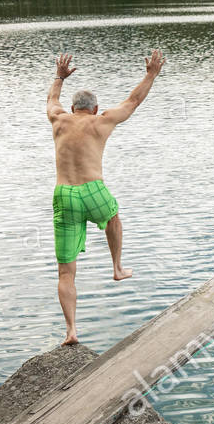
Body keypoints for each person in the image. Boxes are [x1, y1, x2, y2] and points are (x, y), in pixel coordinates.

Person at [47, 49, 165, 345]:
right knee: (113, 217)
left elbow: (51, 101)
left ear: (73, 108)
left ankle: (71, 330)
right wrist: (151, 74)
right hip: (92, 190)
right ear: (96, 108)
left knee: (65, 272)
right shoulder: (102, 121)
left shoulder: (58, 120)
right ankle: (117, 267)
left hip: (64, 196)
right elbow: (133, 101)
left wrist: (59, 77)